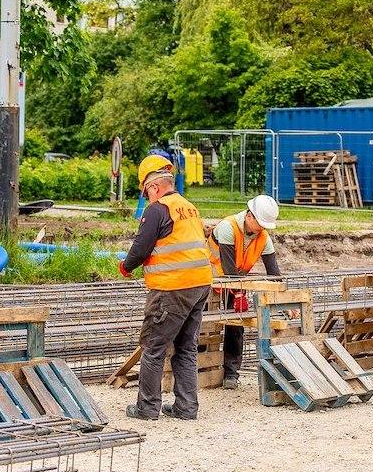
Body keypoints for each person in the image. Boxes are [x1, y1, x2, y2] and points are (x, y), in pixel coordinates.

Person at [118, 154, 213, 420]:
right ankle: (186, 407)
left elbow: (141, 247)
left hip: (172, 288)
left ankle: (147, 408)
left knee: (153, 347)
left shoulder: (157, 209)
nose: (146, 197)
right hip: (199, 285)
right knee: (186, 347)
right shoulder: (188, 206)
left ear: (154, 186)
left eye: (146, 191)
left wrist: (126, 267)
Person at [206, 194, 282, 389]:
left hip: (235, 281)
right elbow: (228, 268)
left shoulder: (263, 237)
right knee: (204, 325)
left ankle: (231, 373)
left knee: (236, 324)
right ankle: (203, 369)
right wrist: (238, 293)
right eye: (261, 223)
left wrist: (282, 299)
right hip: (210, 278)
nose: (263, 229)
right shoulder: (228, 227)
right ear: (249, 216)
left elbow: (274, 273)